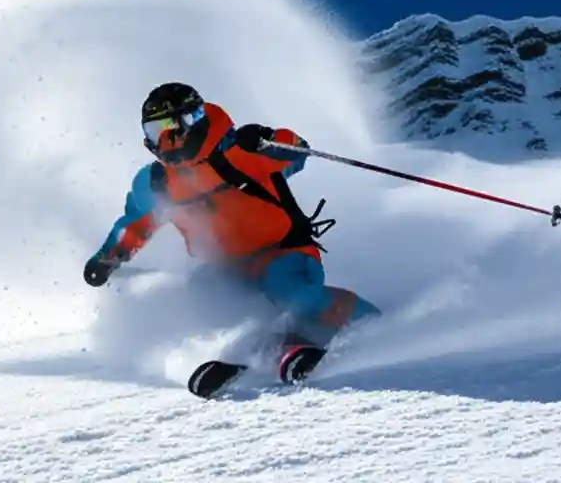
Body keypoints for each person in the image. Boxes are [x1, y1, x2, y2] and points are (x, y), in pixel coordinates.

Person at [84, 82, 380, 385]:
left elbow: (298, 151)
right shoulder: (157, 182)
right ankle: (239, 351)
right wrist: (108, 257)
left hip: (284, 250)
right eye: (154, 132)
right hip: (226, 265)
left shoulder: (240, 150)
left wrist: (266, 138)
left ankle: (364, 323)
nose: (165, 141)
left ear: (194, 120)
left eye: (172, 129)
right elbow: (136, 223)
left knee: (291, 292)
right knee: (202, 295)